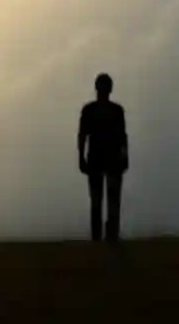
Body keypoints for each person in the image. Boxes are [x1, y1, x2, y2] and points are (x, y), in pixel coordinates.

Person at [77, 72, 128, 242]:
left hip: (104, 159)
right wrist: (81, 158)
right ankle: (105, 236)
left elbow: (122, 137)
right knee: (103, 201)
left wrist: (81, 158)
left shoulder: (94, 110)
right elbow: (83, 136)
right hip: (103, 159)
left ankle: (103, 236)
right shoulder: (113, 111)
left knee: (100, 201)